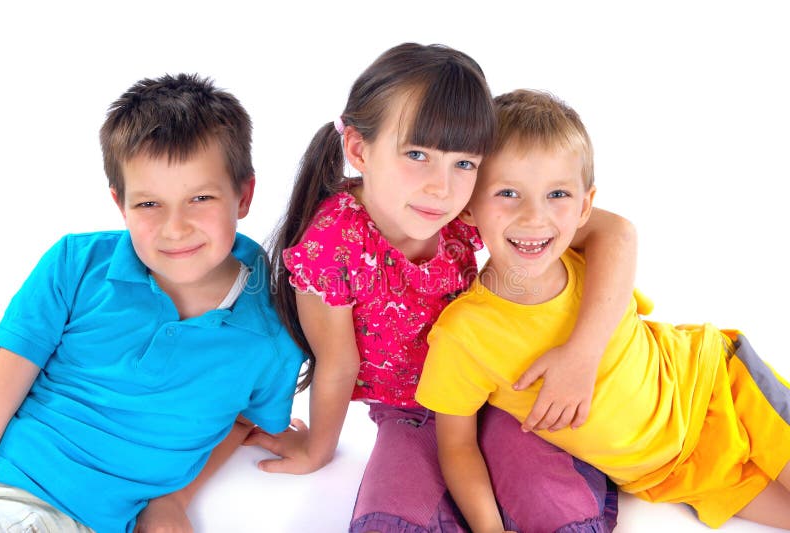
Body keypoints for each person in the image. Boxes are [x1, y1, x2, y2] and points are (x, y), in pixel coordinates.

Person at [253, 43, 634, 532]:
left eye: (464, 163)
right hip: (410, 413)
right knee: (394, 519)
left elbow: (614, 232)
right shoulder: (332, 246)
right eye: (417, 154)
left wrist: (583, 353)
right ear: (358, 150)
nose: (443, 186)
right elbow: (338, 362)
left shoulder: (468, 207)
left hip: (496, 387)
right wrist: (316, 449)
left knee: (551, 504)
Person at [415, 88, 790, 531]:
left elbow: (621, 234)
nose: (534, 216)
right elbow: (457, 448)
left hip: (717, 384)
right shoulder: (463, 335)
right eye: (508, 192)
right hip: (672, 473)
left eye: (557, 194)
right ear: (469, 207)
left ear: (585, 205)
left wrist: (580, 355)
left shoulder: (592, 260)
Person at [0, 73, 305, 533]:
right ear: (121, 204)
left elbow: (240, 417)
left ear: (244, 195)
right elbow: (1, 390)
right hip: (6, 490)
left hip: (90, 521)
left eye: (199, 198)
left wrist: (172, 500)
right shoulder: (75, 265)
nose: (175, 229)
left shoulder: (274, 328)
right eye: (149, 204)